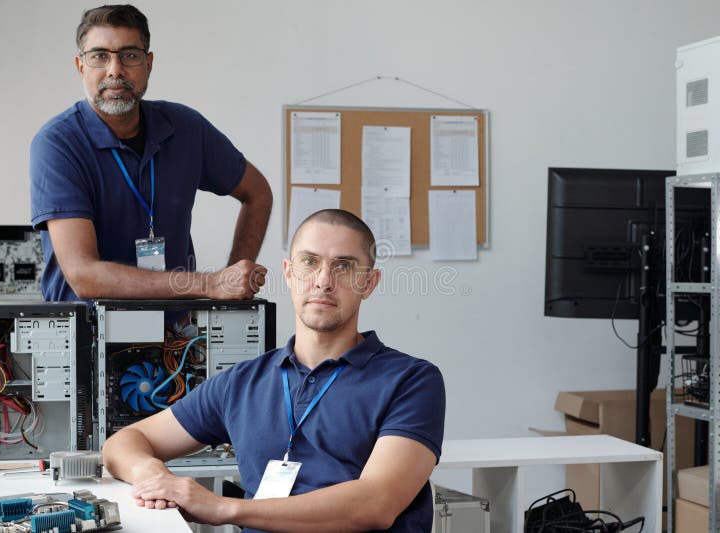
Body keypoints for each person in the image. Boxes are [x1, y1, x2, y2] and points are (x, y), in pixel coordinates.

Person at [102, 209, 446, 532]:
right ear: (289, 272)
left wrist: (223, 509)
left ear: (368, 283)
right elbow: (123, 444)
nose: (323, 281)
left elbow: (376, 504)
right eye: (309, 262)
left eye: (343, 267)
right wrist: (152, 472)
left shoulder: (411, 381)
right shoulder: (243, 382)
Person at [30, 4, 271, 302]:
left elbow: (258, 192)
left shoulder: (186, 127)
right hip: (87, 338)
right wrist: (211, 284)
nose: (115, 70)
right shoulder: (58, 143)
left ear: (149, 64)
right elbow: (85, 276)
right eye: (99, 56)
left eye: (129, 55)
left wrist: (235, 279)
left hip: (174, 340)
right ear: (81, 66)